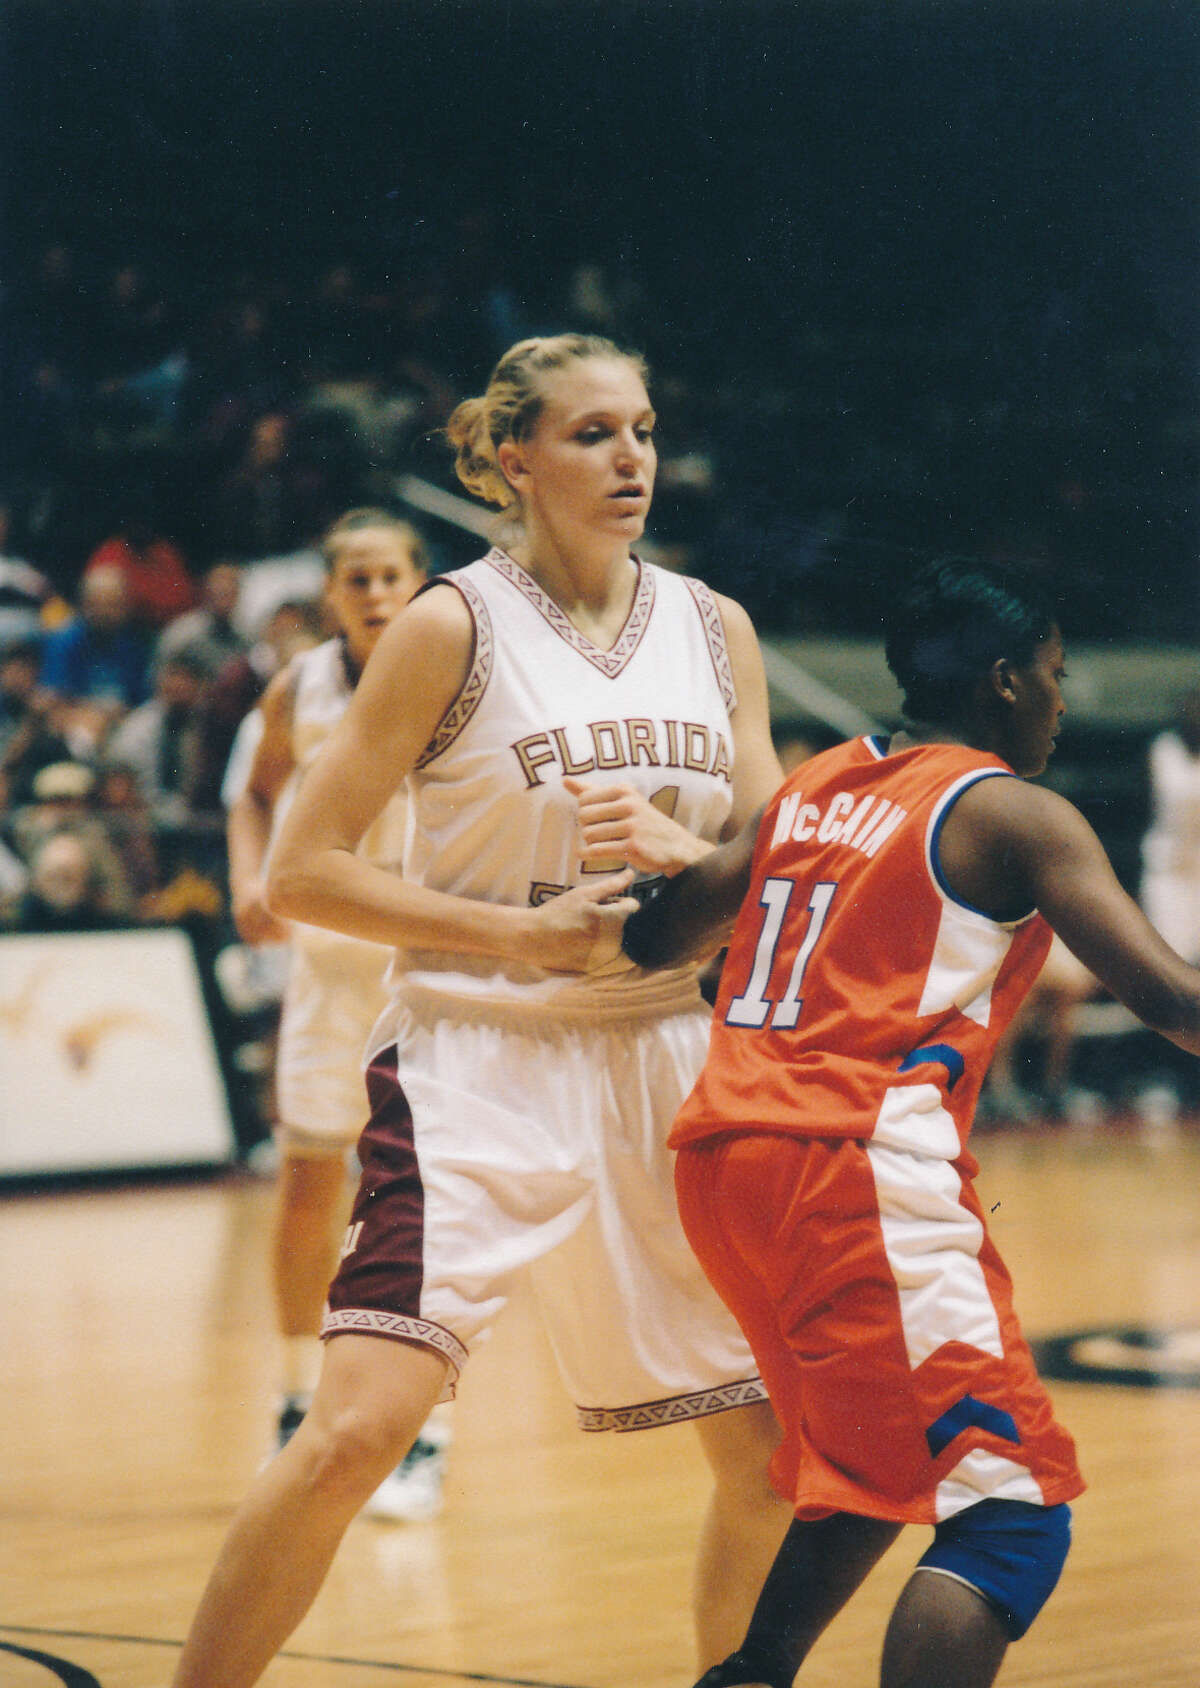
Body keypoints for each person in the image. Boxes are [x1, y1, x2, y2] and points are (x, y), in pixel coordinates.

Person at [170, 332, 787, 1688]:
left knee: (772, 1459)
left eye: (643, 429)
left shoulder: (712, 628)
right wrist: (522, 933)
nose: (632, 457)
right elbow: (303, 868)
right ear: (515, 457)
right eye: (592, 433)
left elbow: (774, 855)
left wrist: (695, 863)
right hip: (480, 1059)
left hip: (671, 1055)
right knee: (352, 1434)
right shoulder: (451, 622)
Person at [618, 556, 1200, 1688]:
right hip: (852, 1169)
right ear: (1003, 683)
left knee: (877, 1462)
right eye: (1054, 674)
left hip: (725, 1162)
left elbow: (659, 939)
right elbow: (1175, 1000)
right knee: (1011, 1513)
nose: (1064, 698)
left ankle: (753, 1672)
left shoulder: (814, 785)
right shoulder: (1012, 813)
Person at [225, 505, 447, 1520]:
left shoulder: (451, 673)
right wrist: (249, 878)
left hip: (429, 960)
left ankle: (426, 1426)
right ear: (331, 592)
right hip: (326, 964)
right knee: (311, 1183)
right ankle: (291, 1393)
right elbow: (256, 795)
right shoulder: (296, 685)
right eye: (355, 576)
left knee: (431, 1199)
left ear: (416, 580)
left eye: (389, 573)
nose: (372, 591)